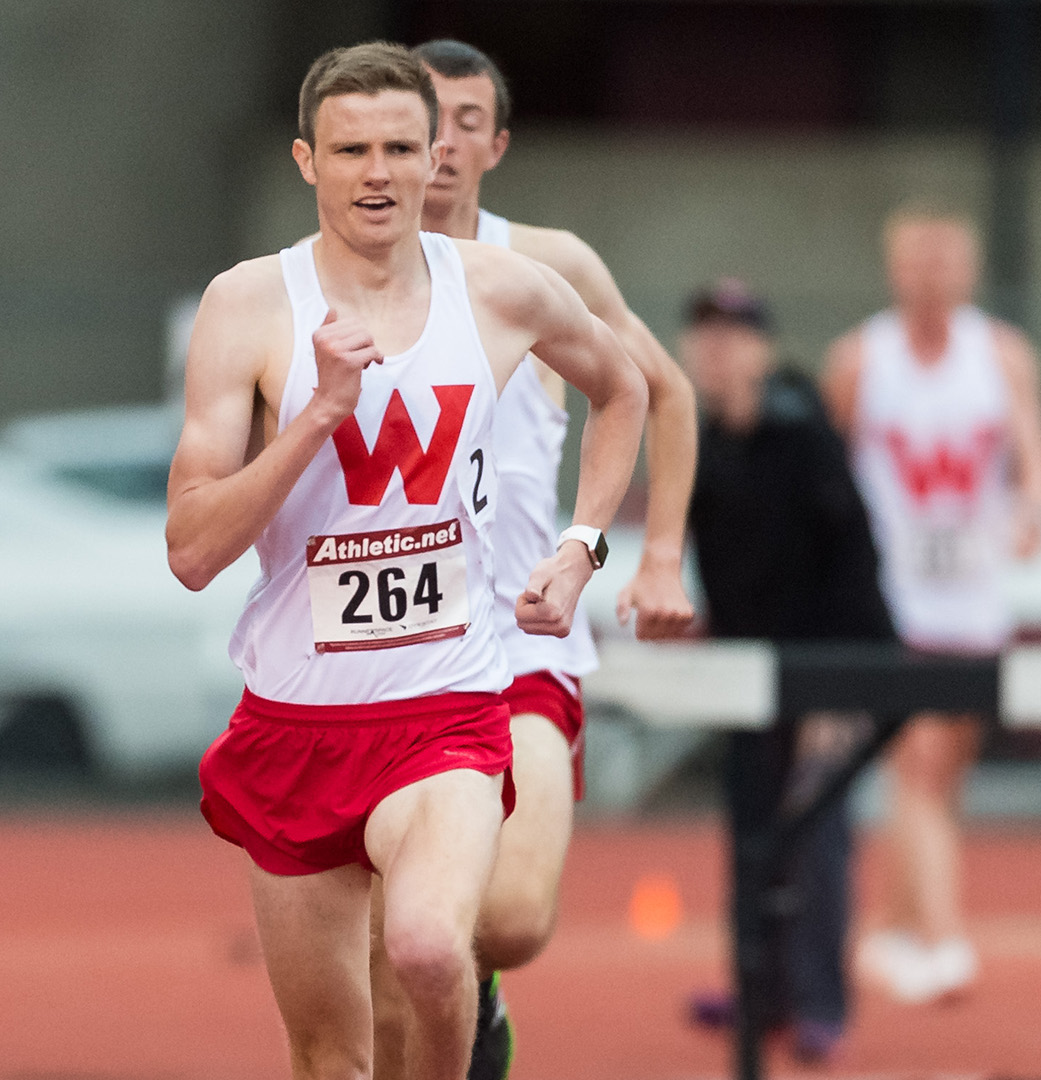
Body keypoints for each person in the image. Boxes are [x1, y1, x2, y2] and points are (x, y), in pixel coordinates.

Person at [167, 42, 646, 1080]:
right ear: (306, 161)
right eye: (351, 150)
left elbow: (628, 387)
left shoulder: (504, 290)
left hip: (448, 703)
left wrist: (582, 547)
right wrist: (316, 417)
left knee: (431, 946)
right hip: (297, 716)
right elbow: (194, 550)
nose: (378, 173)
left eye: (400, 147)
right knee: (331, 1056)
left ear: (439, 157)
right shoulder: (248, 307)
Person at [379, 37, 698, 1080]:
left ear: (496, 143)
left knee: (507, 919)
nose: (448, 142)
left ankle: (481, 996)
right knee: (401, 944)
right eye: (431, 118)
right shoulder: (345, 273)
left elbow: (664, 392)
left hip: (523, 636)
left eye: (470, 122)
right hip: (390, 647)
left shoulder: (547, 265)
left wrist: (653, 560)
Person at [822, 205, 1041, 1004]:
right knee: (916, 763)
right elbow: (824, 474)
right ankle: (944, 937)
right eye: (917, 260)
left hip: (975, 599)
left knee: (943, 772)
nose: (932, 275)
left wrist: (1033, 511)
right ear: (895, 268)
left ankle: (889, 930)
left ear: (970, 268)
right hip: (893, 601)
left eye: (946, 260)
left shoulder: (1000, 354)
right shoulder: (862, 359)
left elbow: (1037, 456)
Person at [676, 279, 897, 1063]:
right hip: (749, 670)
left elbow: (853, 557)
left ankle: (819, 1004)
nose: (717, 349)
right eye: (704, 335)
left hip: (832, 661)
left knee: (817, 831)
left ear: (764, 349)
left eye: (734, 335)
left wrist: (841, 688)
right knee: (751, 826)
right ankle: (758, 991)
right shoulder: (699, 438)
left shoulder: (803, 431)